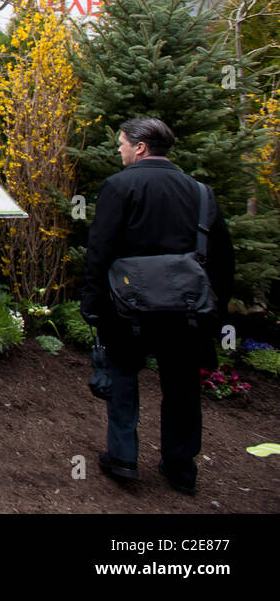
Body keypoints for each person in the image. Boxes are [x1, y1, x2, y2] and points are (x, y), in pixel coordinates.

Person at [81, 117, 234, 497]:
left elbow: (100, 252)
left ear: (141, 147)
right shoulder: (200, 193)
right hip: (185, 309)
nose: (119, 150)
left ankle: (122, 457)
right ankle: (181, 467)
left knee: (122, 377)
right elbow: (222, 260)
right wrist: (215, 311)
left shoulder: (119, 187)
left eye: (122, 144)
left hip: (127, 306)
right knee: (182, 386)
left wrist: (93, 305)